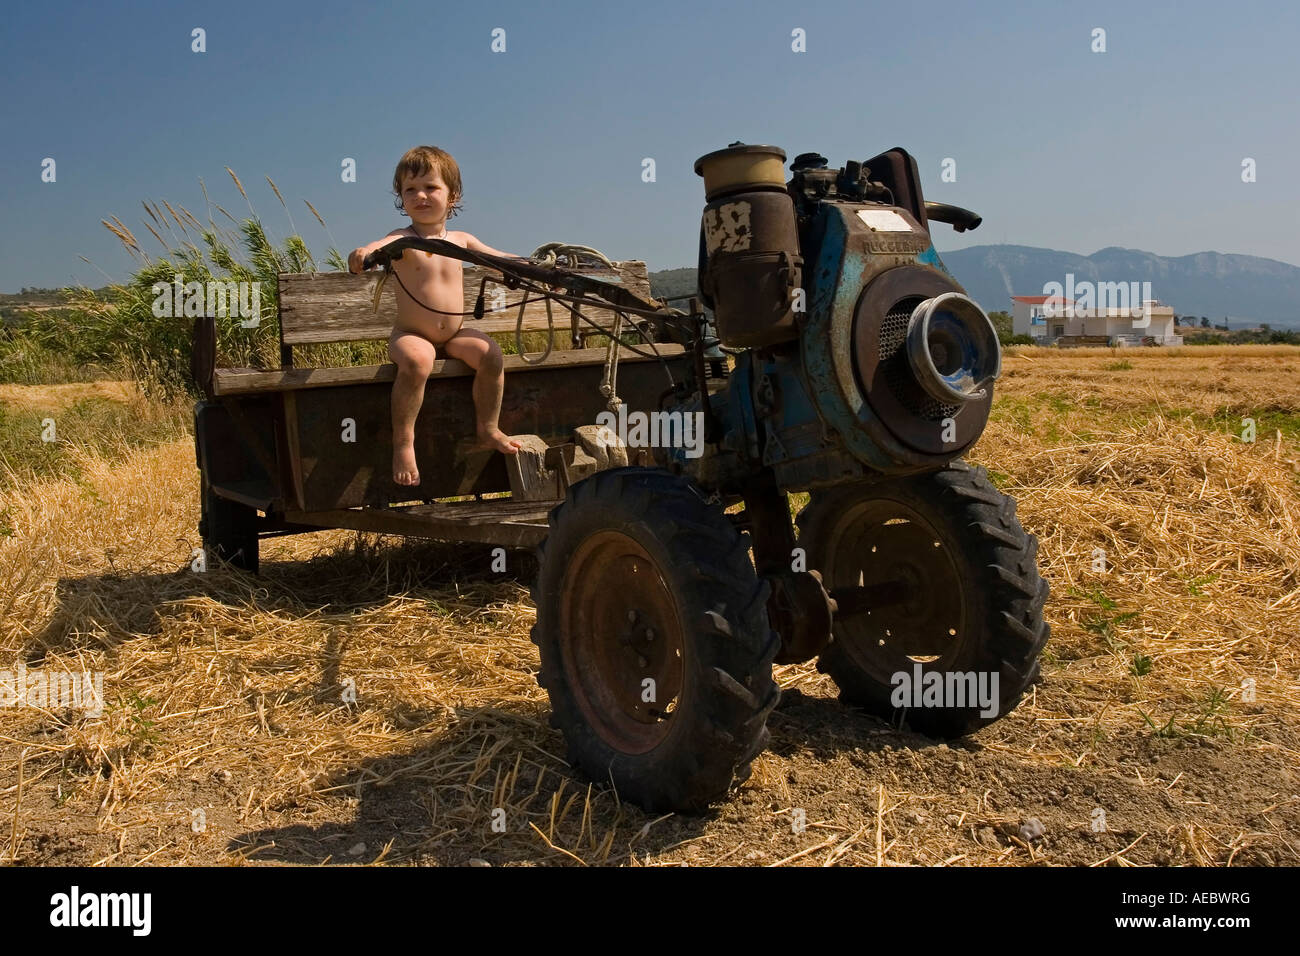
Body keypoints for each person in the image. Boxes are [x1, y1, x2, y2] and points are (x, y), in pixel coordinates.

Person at [349, 145, 524, 487]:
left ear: (452, 196)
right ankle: (404, 444)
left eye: (431, 187)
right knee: (417, 361)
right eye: (410, 190)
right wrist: (362, 253)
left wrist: (531, 267)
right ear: (401, 198)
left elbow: (497, 257)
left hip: (455, 334)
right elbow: (374, 247)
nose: (421, 196)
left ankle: (488, 428)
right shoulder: (402, 239)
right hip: (412, 334)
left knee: (491, 355)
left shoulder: (460, 239)